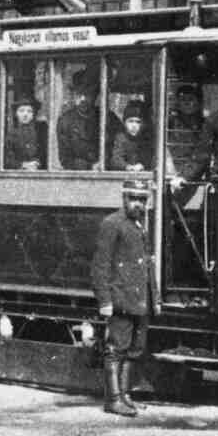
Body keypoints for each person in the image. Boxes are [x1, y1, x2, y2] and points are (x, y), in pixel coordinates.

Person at [92, 171, 155, 417]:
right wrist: (104, 300)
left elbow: (145, 266)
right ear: (124, 198)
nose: (138, 203)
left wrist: (153, 298)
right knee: (116, 348)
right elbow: (100, 266)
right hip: (120, 298)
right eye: (133, 198)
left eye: (142, 199)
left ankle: (126, 396)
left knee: (135, 349)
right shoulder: (112, 224)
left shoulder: (139, 225)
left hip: (139, 300)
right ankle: (113, 399)